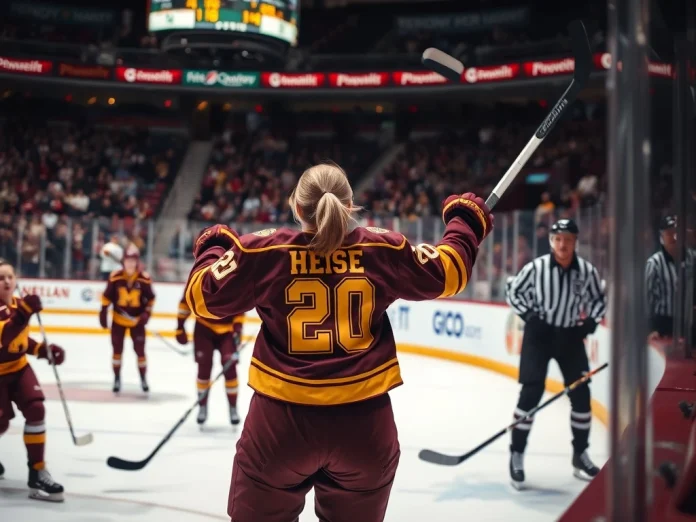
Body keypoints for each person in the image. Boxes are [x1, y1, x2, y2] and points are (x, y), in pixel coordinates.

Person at [183, 162, 492, 522]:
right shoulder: (382, 248)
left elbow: (201, 299)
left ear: (297, 208)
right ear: (349, 206)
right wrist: (464, 222)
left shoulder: (264, 252)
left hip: (279, 426)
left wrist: (214, 248)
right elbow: (449, 271)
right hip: (364, 427)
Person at [506, 218, 607, 489]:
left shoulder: (586, 271)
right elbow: (512, 291)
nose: (563, 244)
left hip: (570, 337)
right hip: (538, 337)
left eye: (568, 240)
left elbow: (600, 299)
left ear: (575, 242)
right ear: (552, 241)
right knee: (530, 393)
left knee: (582, 395)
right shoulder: (536, 268)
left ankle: (580, 454)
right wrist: (528, 314)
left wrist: (591, 322)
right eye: (558, 239)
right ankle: (516, 453)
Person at [0, 258, 66, 501]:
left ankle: (37, 471)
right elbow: (4, 337)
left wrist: (43, 351)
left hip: (18, 368)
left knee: (36, 409)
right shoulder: (18, 309)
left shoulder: (19, 304)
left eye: (10, 276)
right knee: (1, 424)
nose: (7, 281)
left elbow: (21, 341)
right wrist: (24, 315)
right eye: (1, 278)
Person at [176, 294, 244, 425]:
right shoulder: (201, 274)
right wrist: (180, 326)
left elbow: (240, 304)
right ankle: (202, 406)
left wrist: (238, 329)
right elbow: (187, 300)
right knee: (204, 369)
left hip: (227, 331)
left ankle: (233, 407)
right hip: (203, 329)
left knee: (230, 369)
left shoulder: (232, 276)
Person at [99, 244, 155, 393]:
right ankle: (117, 379)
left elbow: (150, 299)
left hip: (137, 322)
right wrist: (103, 312)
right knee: (117, 351)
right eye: (128, 260)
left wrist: (146, 314)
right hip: (118, 321)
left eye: (133, 261)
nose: (130, 264)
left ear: (137, 262)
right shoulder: (115, 277)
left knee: (140, 351)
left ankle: (143, 378)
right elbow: (106, 297)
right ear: (123, 261)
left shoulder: (144, 279)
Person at [646, 215, 696, 342]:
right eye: (669, 233)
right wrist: (650, 328)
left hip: (690, 324)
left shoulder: (693, 258)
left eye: (677, 233)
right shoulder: (654, 263)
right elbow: (647, 299)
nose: (674, 237)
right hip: (663, 325)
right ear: (661, 238)